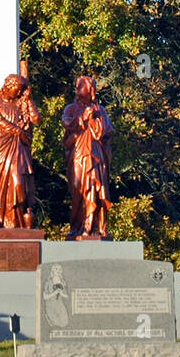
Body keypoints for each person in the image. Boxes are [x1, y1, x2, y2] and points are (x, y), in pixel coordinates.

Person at [0, 72, 42, 228]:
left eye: (21, 90)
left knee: (19, 184)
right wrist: (17, 131)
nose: (19, 93)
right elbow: (0, 121)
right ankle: (0, 218)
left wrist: (28, 98)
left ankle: (18, 221)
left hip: (16, 152)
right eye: (17, 89)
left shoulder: (21, 104)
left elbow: (36, 119)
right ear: (8, 87)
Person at [62, 76, 113, 238]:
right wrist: (82, 119)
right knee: (78, 189)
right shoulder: (71, 108)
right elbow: (66, 122)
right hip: (78, 153)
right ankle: (77, 226)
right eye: (77, 86)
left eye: (82, 86)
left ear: (90, 90)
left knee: (95, 187)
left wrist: (94, 120)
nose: (78, 89)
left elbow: (108, 130)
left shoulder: (100, 110)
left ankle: (93, 226)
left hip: (96, 154)